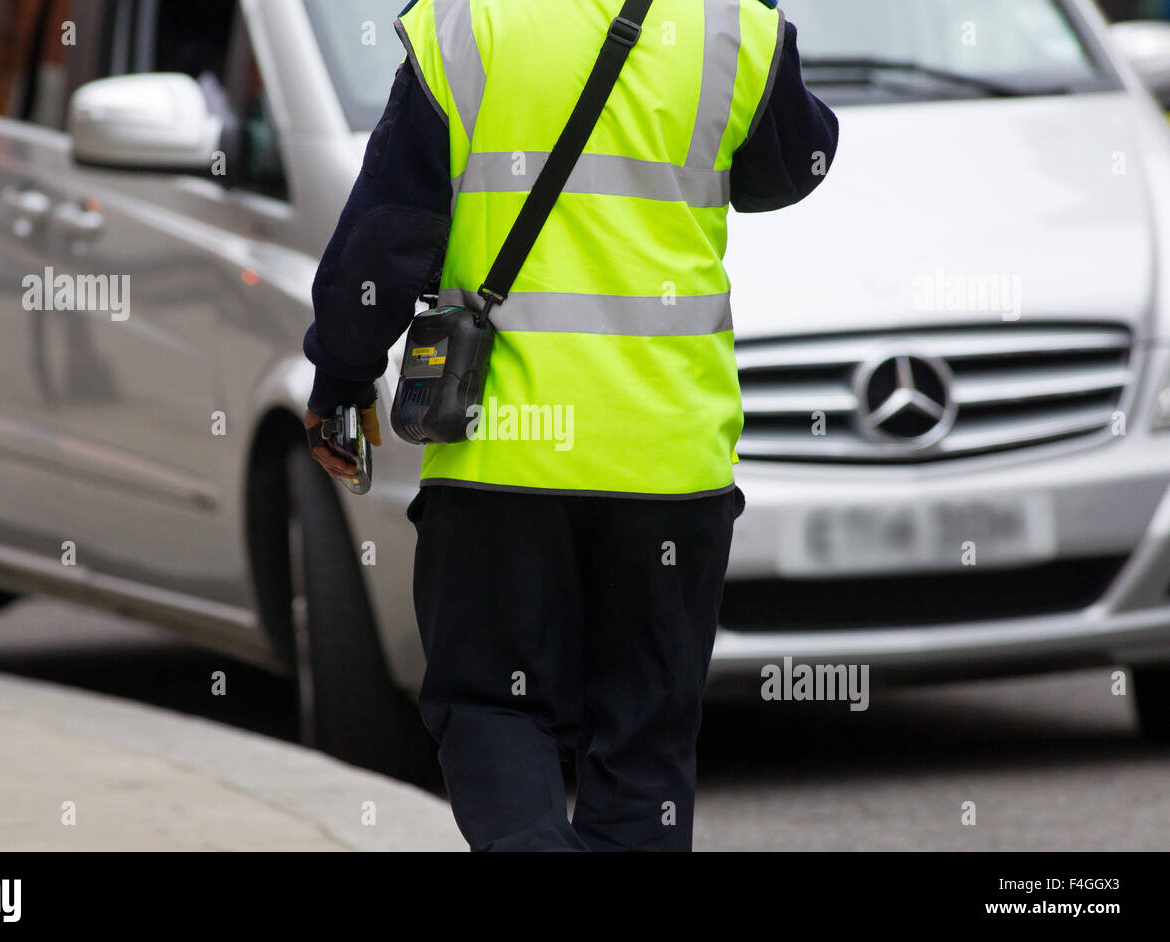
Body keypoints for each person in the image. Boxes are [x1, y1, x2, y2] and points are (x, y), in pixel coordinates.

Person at [304, 0, 838, 851]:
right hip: (668, 456)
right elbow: (790, 169)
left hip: (501, 457)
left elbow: (388, 230)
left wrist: (341, 373)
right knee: (645, 738)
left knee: (491, 706)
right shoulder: (731, 24)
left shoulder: (464, 22)